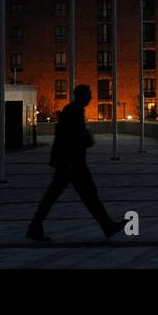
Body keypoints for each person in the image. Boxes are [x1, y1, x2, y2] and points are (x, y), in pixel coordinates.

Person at [26, 85, 123, 241]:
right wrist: (71, 157)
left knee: (83, 195)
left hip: (71, 162)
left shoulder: (73, 110)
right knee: (83, 195)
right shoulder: (73, 111)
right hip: (72, 163)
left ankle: (108, 226)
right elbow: (67, 137)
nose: (91, 98)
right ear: (82, 96)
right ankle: (108, 226)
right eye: (89, 95)